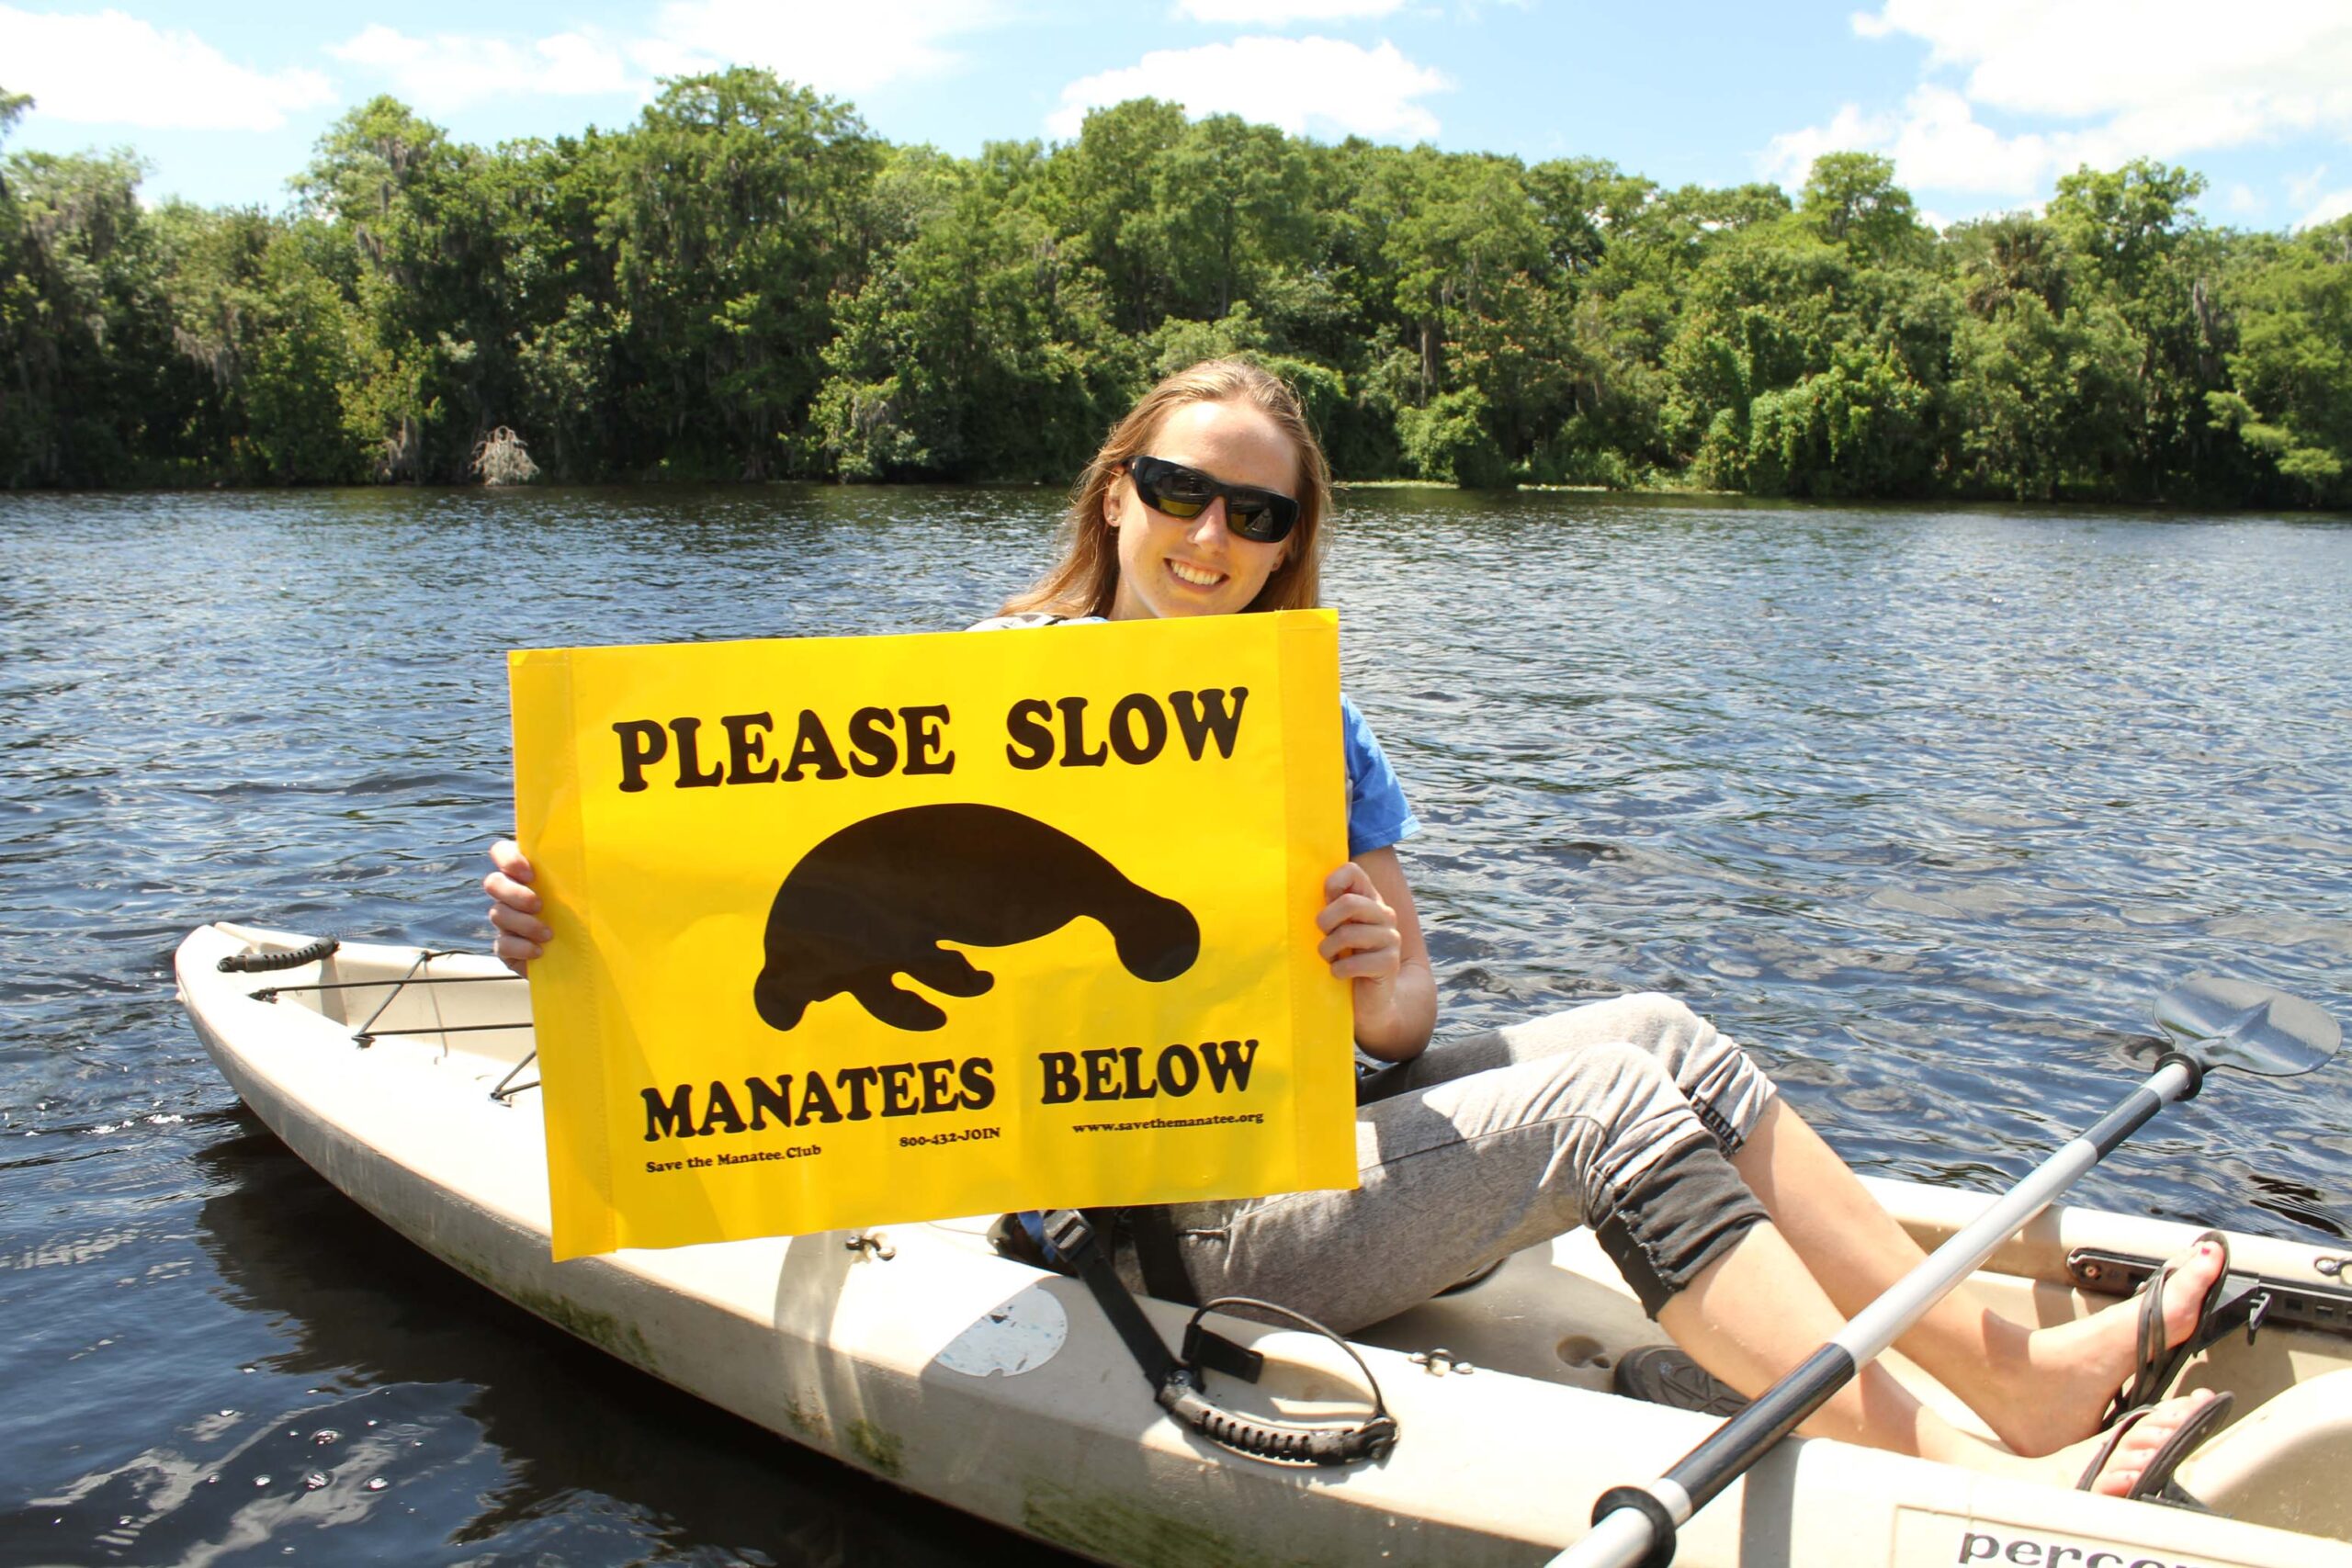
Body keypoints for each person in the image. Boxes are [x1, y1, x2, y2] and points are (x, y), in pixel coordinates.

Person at [485, 359, 2228, 1498]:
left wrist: (1383, 976)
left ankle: (2014, 1376)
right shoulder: (969, 696)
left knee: (1661, 1033)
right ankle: (1956, 1479)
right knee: (1608, 1105)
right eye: (1184, 491)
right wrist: (568, 921)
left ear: (1285, 546)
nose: (1213, 534)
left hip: (1301, 1140)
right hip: (1157, 1229)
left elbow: (1397, 1031)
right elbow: (731, 885)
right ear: (1117, 493)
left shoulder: (1312, 728)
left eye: (1258, 514)